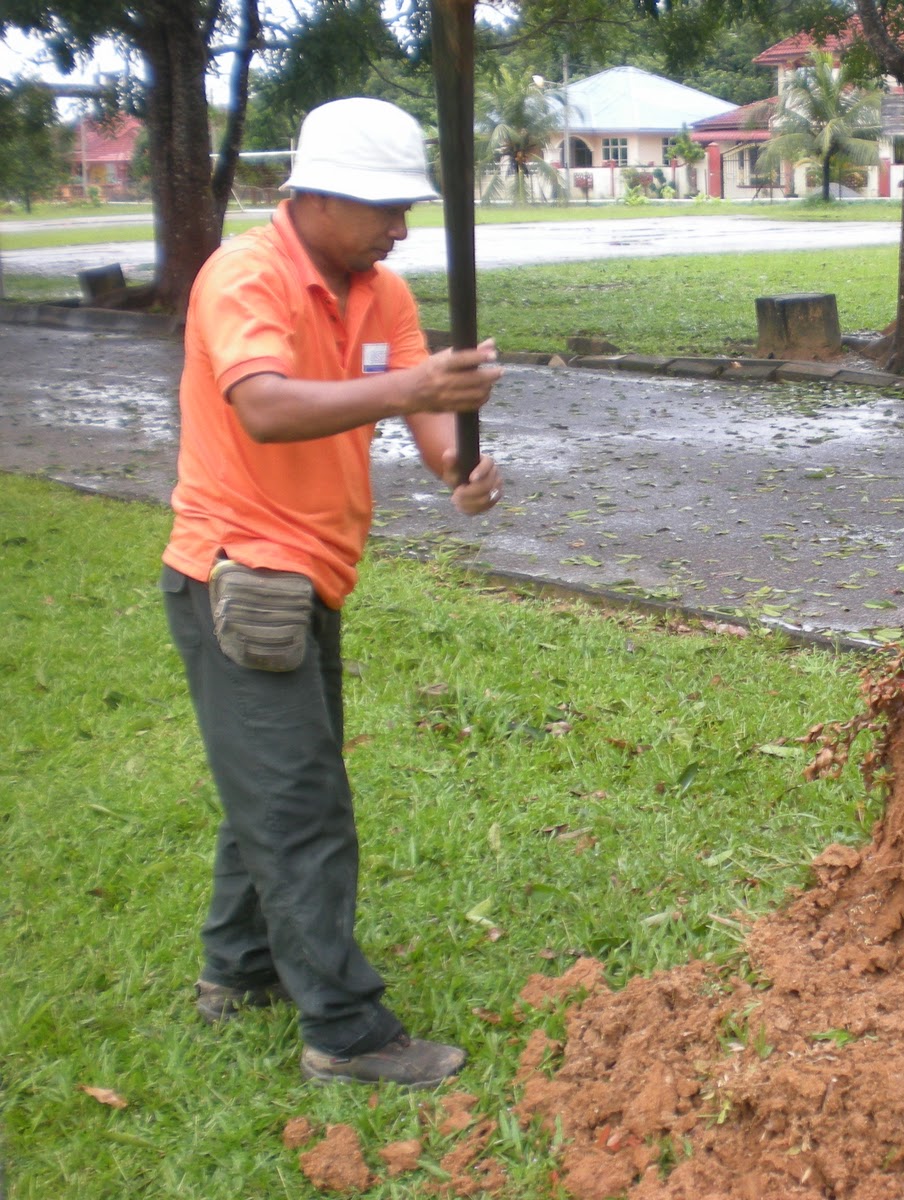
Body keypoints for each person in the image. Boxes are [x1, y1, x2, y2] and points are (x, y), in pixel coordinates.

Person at [160, 97, 504, 1088]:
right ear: (315, 196)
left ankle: (239, 972)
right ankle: (346, 1035)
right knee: (301, 801)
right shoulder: (244, 278)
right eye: (386, 207)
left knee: (269, 787)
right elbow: (263, 407)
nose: (401, 227)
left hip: (312, 575)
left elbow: (422, 415)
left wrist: (458, 467)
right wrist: (410, 392)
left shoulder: (378, 295)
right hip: (240, 572)